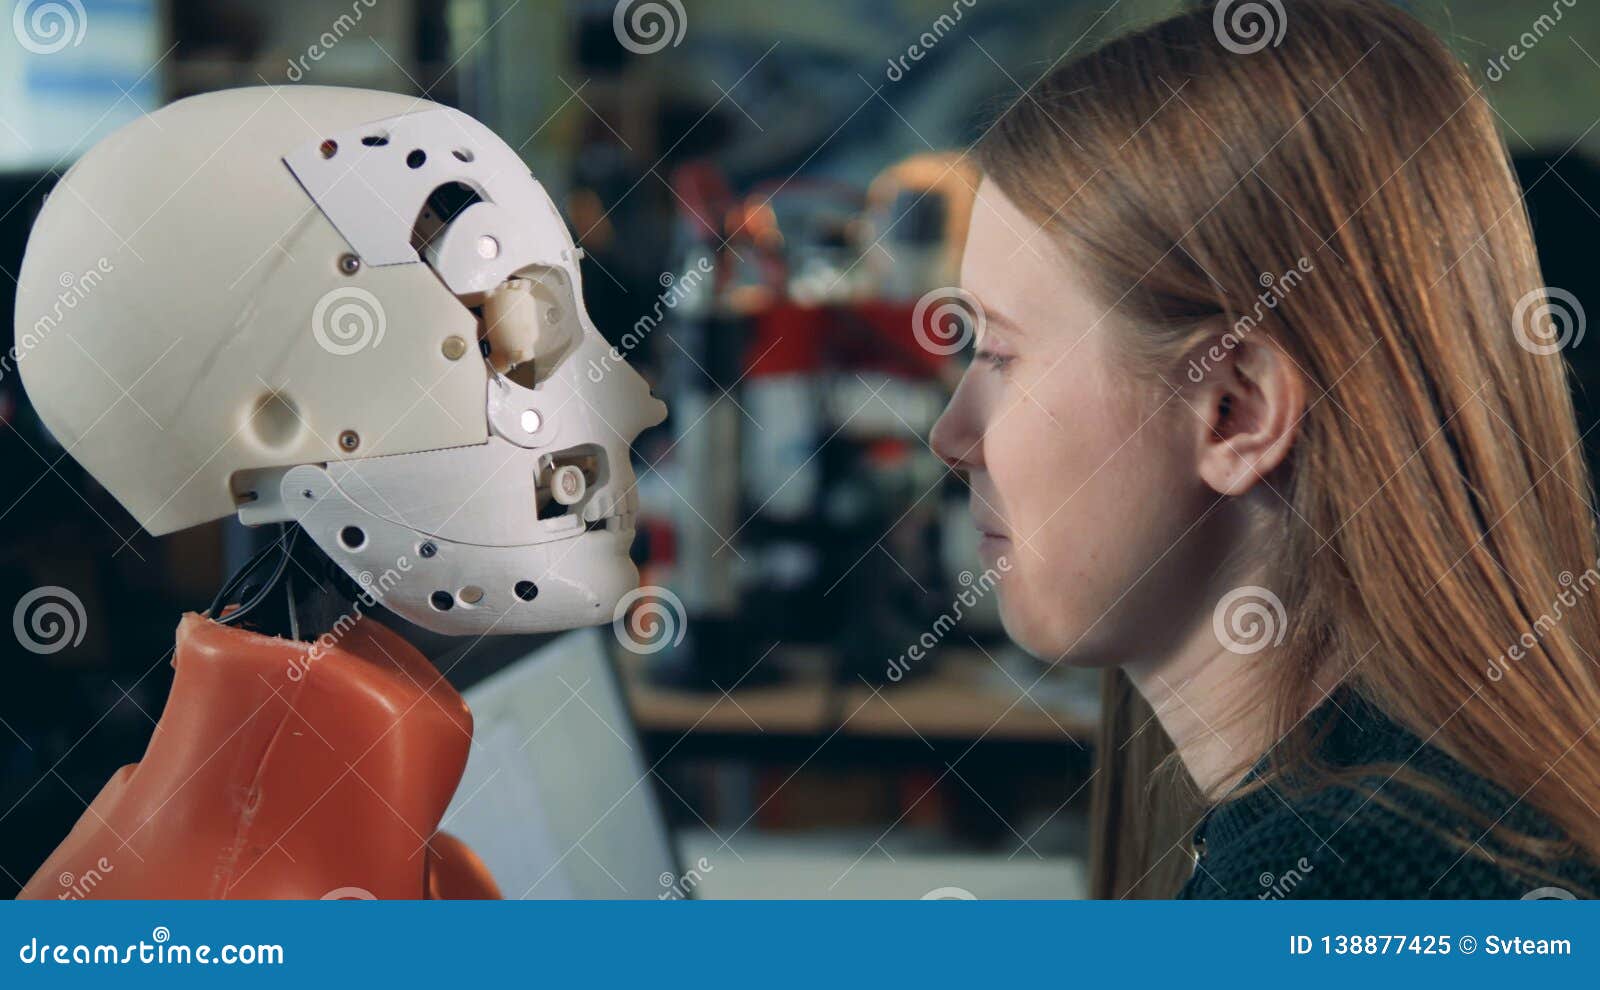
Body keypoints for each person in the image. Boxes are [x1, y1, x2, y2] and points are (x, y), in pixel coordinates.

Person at [930, 0, 1600, 898]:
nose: (951, 436)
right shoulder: (1421, 834)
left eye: (1002, 356)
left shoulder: (1343, 887)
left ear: (1236, 411)